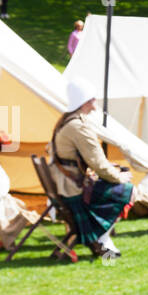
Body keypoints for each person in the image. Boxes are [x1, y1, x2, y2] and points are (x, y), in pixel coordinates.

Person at [47, 78, 132, 261]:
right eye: (93, 100)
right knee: (126, 190)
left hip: (68, 186)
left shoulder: (67, 121)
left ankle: (103, 240)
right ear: (85, 102)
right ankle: (102, 240)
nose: (95, 105)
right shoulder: (78, 126)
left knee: (117, 186)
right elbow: (98, 163)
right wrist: (119, 177)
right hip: (73, 190)